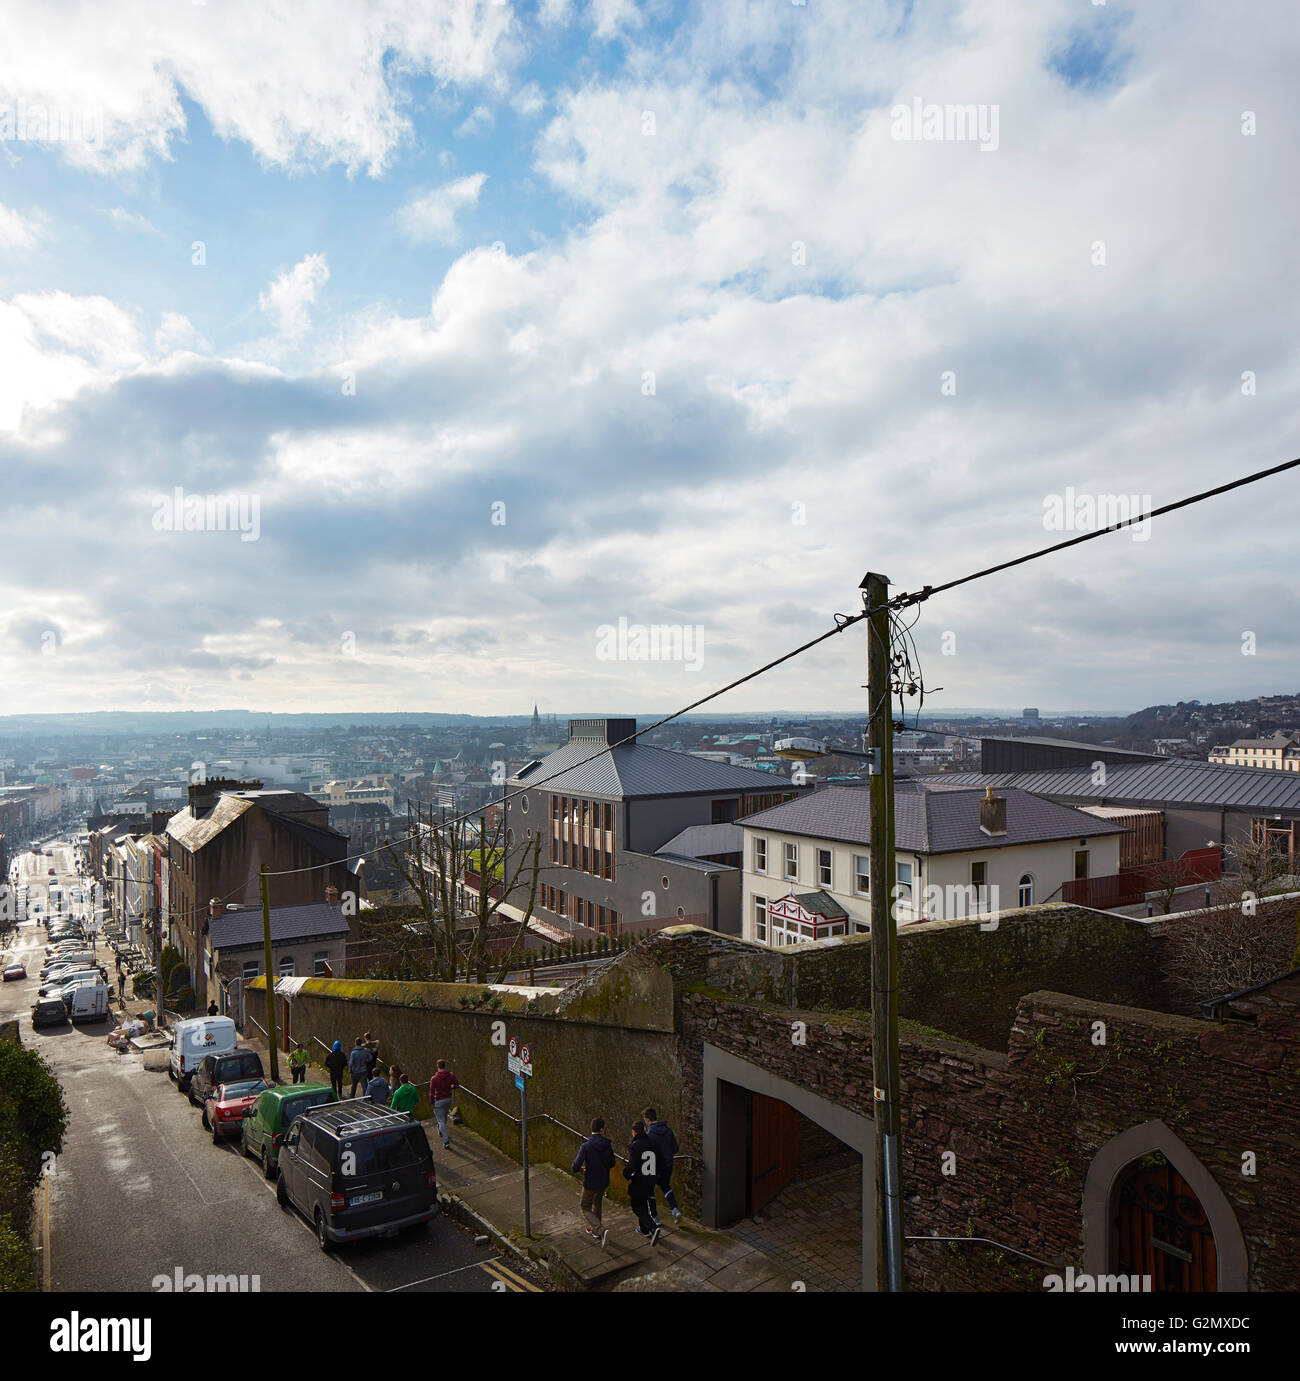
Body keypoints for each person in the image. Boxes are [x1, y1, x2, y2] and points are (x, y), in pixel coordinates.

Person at [571, 1117, 615, 1245]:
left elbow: (575, 1166)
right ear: (602, 1129)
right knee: (597, 1204)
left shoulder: (586, 1146)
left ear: (591, 1129)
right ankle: (596, 1231)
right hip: (603, 1181)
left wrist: (582, 1169)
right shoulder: (607, 1144)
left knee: (584, 1207)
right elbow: (611, 1163)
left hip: (590, 1182)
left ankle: (601, 1230)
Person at [642, 1106, 682, 1223]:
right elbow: (675, 1149)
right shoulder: (668, 1131)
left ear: (647, 1120)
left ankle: (654, 1218)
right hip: (668, 1165)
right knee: (665, 1186)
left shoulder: (649, 1135)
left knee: (649, 1189)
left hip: (656, 1167)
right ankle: (675, 1209)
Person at [623, 1120, 660, 1243]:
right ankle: (644, 1230)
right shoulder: (652, 1143)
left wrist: (626, 1173)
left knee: (636, 1205)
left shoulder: (635, 1146)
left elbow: (633, 1166)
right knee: (643, 1202)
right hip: (651, 1179)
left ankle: (653, 1227)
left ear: (634, 1132)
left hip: (640, 1180)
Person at [428, 1059, 459, 1149]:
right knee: (443, 1118)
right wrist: (450, 1087)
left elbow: (431, 1092)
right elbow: (456, 1085)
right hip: (448, 1099)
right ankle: (441, 1130)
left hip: (438, 1100)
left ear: (438, 1066)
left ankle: (446, 1141)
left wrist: (432, 1102)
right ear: (445, 1066)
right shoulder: (451, 1075)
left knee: (441, 1120)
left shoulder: (434, 1079)